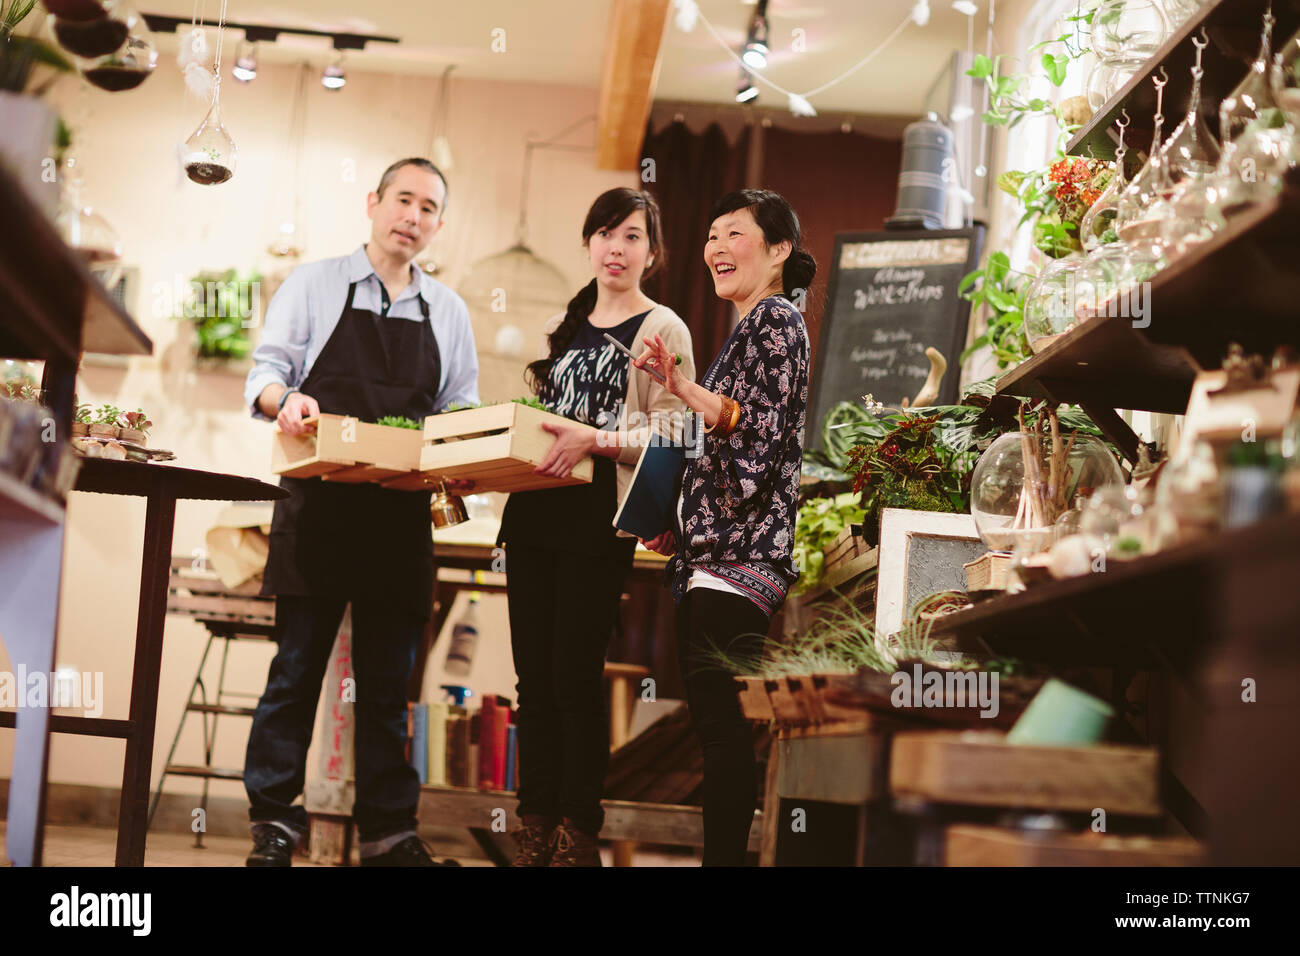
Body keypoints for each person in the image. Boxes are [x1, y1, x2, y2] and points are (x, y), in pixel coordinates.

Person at [241, 158, 479, 867]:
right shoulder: (314, 282)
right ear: (373, 203)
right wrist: (288, 403)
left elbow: (461, 407)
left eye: (429, 207)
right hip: (318, 508)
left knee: (384, 689)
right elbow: (265, 375)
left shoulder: (450, 310)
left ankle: (388, 835)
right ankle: (275, 826)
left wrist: (461, 449)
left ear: (438, 225)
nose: (413, 215)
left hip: (399, 519)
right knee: (294, 675)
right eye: (403, 199)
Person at [498, 188, 693, 866]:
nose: (617, 246)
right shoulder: (565, 320)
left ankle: (577, 833)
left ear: (652, 251)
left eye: (632, 236)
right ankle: (533, 827)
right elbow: (542, 421)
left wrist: (597, 440)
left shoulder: (663, 329)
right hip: (531, 515)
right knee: (532, 682)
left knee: (573, 679)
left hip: (593, 522)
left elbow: (678, 428)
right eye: (607, 232)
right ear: (589, 242)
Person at [636, 188, 814, 866]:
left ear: (778, 251)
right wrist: (678, 519)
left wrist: (682, 388)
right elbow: (727, 446)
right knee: (718, 727)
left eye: (734, 234)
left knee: (723, 730)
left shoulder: (776, 318)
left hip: (739, 563)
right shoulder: (753, 327)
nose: (716, 248)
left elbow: (757, 430)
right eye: (711, 235)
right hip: (715, 556)